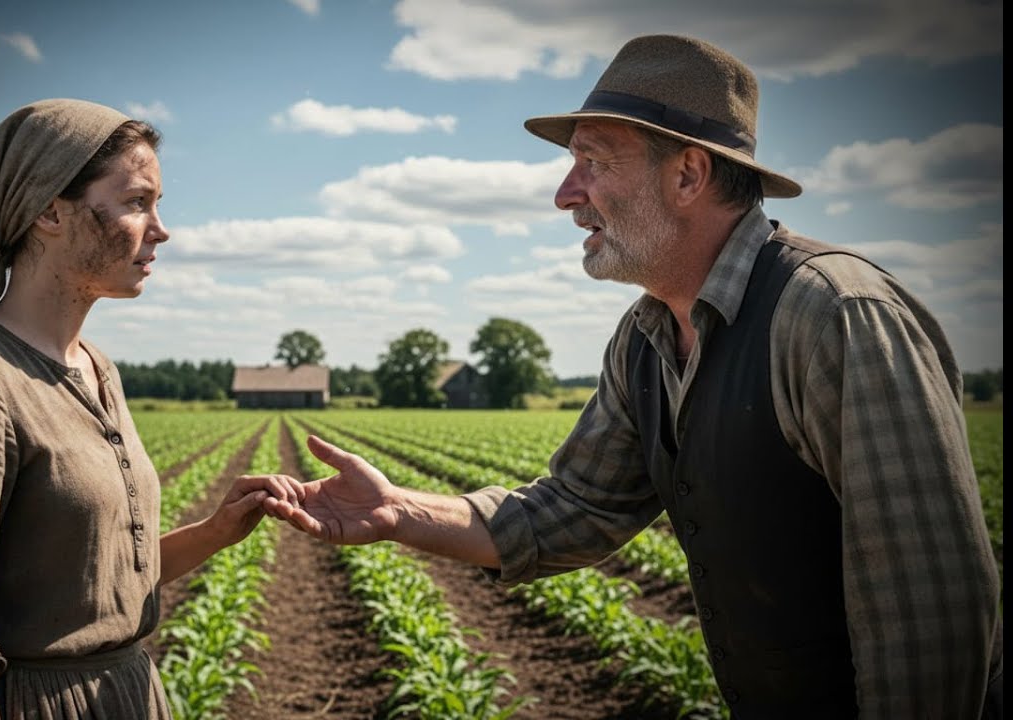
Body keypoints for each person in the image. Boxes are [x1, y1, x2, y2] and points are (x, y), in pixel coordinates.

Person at [262, 35, 1003, 719]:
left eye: (594, 161)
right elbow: (577, 506)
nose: (565, 192)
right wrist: (397, 512)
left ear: (688, 173)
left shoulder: (834, 316)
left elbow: (932, 610)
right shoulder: (647, 335)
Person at [0, 98, 303, 720]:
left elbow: (95, 587)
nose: (160, 229)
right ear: (50, 212)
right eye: (138, 202)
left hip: (129, 693)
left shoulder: (98, 369)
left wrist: (218, 530)